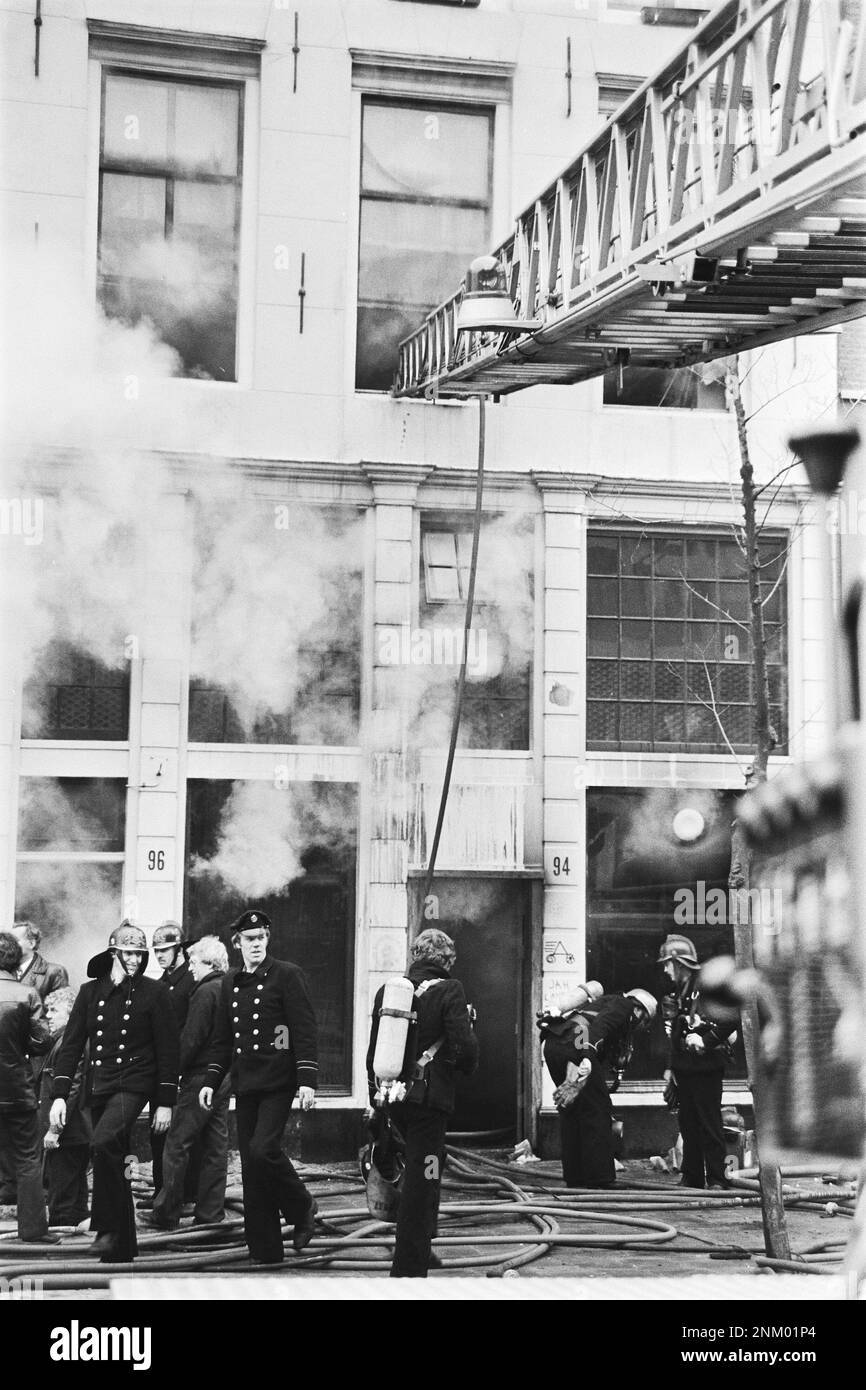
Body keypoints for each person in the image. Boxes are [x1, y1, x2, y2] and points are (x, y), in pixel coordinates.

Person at [49, 922, 179, 1263]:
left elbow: (168, 1051)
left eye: (139, 954)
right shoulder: (90, 992)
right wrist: (60, 1095)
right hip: (99, 1087)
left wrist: (165, 1102)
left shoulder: (155, 993)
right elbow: (72, 1046)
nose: (135, 960)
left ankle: (105, 1228)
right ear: (113, 954)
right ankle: (122, 1246)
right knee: (116, 1156)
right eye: (128, 954)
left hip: (135, 1083)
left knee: (103, 1142)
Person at [200, 909, 318, 1265]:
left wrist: (307, 1080)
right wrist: (210, 1080)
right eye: (249, 940)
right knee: (252, 1167)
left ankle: (302, 1205)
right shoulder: (230, 983)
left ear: (268, 939)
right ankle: (265, 1250)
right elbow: (222, 1040)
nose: (255, 945)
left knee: (264, 1149)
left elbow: (304, 1030)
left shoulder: (286, 975)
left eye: (261, 939)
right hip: (246, 1083)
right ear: (237, 944)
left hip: (279, 1082)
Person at [366, 928, 479, 1278]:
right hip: (429, 1104)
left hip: (393, 1100)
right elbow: (464, 1046)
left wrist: (376, 1095)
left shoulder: (390, 990)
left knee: (428, 1166)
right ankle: (409, 1269)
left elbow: (373, 1050)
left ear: (416, 955)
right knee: (423, 1176)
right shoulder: (450, 989)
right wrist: (465, 1066)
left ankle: (420, 1247)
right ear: (447, 961)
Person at [140, 935, 231, 1231]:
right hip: (223, 1079)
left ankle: (165, 1213)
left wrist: (169, 1073)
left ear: (210, 964)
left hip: (200, 1079)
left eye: (194, 961)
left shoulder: (205, 993)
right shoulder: (228, 987)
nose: (190, 967)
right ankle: (210, 1214)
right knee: (216, 1148)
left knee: (176, 1144)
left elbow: (191, 1039)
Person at [539, 987, 657, 1188]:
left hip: (555, 1045)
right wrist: (586, 1056)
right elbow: (600, 1027)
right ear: (639, 1010)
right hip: (576, 1047)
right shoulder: (624, 1005)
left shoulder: (604, 1002)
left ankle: (575, 1177)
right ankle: (600, 1178)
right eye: (643, 1019)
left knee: (572, 1108)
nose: (638, 1025)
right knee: (598, 1110)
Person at [658, 933, 736, 1190]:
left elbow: (732, 1017)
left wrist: (707, 1040)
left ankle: (717, 1178)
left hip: (706, 1067)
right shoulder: (678, 991)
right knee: (688, 1125)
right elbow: (674, 1033)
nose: (667, 971)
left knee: (709, 1123)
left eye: (668, 965)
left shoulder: (706, 986)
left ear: (678, 963)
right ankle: (692, 1176)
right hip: (685, 1068)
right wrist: (671, 1069)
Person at [0, 921, 69, 1204]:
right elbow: (42, 1041)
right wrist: (19, 1044)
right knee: (28, 1155)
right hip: (18, 1087)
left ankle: (5, 1198)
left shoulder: (49, 974)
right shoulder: (26, 993)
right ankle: (32, 1225)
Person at [144, 920, 196, 1211]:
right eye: (157, 950)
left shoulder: (191, 981)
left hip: (183, 1070)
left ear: (180, 950)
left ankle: (183, 1193)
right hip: (161, 1069)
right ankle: (160, 1190)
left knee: (179, 1136)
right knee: (158, 1133)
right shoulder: (162, 983)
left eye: (165, 950)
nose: (160, 955)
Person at [39, 987, 91, 1228]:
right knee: (74, 1185)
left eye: (54, 1010)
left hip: (69, 1129)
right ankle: (77, 1222)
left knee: (61, 1189)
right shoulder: (64, 1042)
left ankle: (61, 1232)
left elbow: (71, 1088)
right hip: (76, 1128)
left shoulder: (69, 1045)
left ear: (70, 1014)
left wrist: (54, 1129)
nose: (48, 1015)